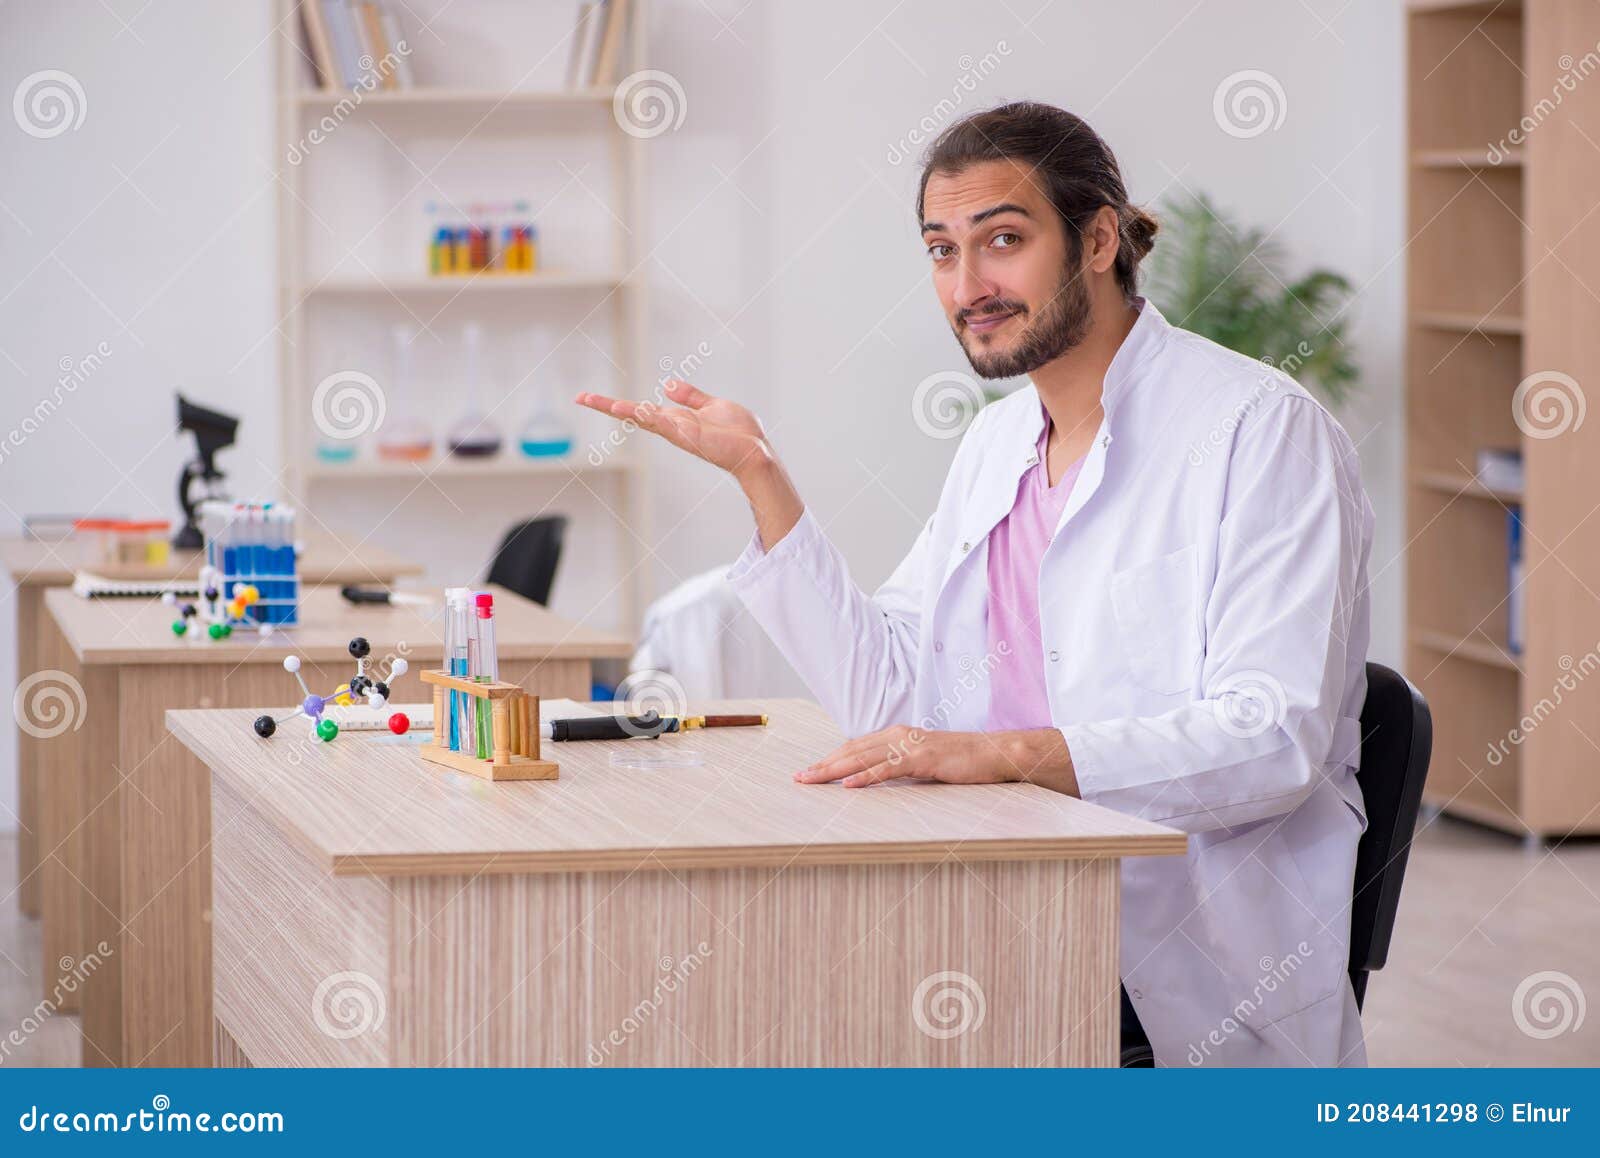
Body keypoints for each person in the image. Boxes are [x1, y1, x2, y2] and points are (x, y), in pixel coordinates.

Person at [576, 101, 1373, 1068]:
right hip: (1004, 920)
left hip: (1177, 976)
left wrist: (1006, 753)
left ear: (1098, 239)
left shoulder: (1258, 429)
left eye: (1003, 240)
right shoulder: (997, 444)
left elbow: (1272, 737)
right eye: (942, 251)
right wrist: (763, 480)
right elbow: (893, 704)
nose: (969, 285)